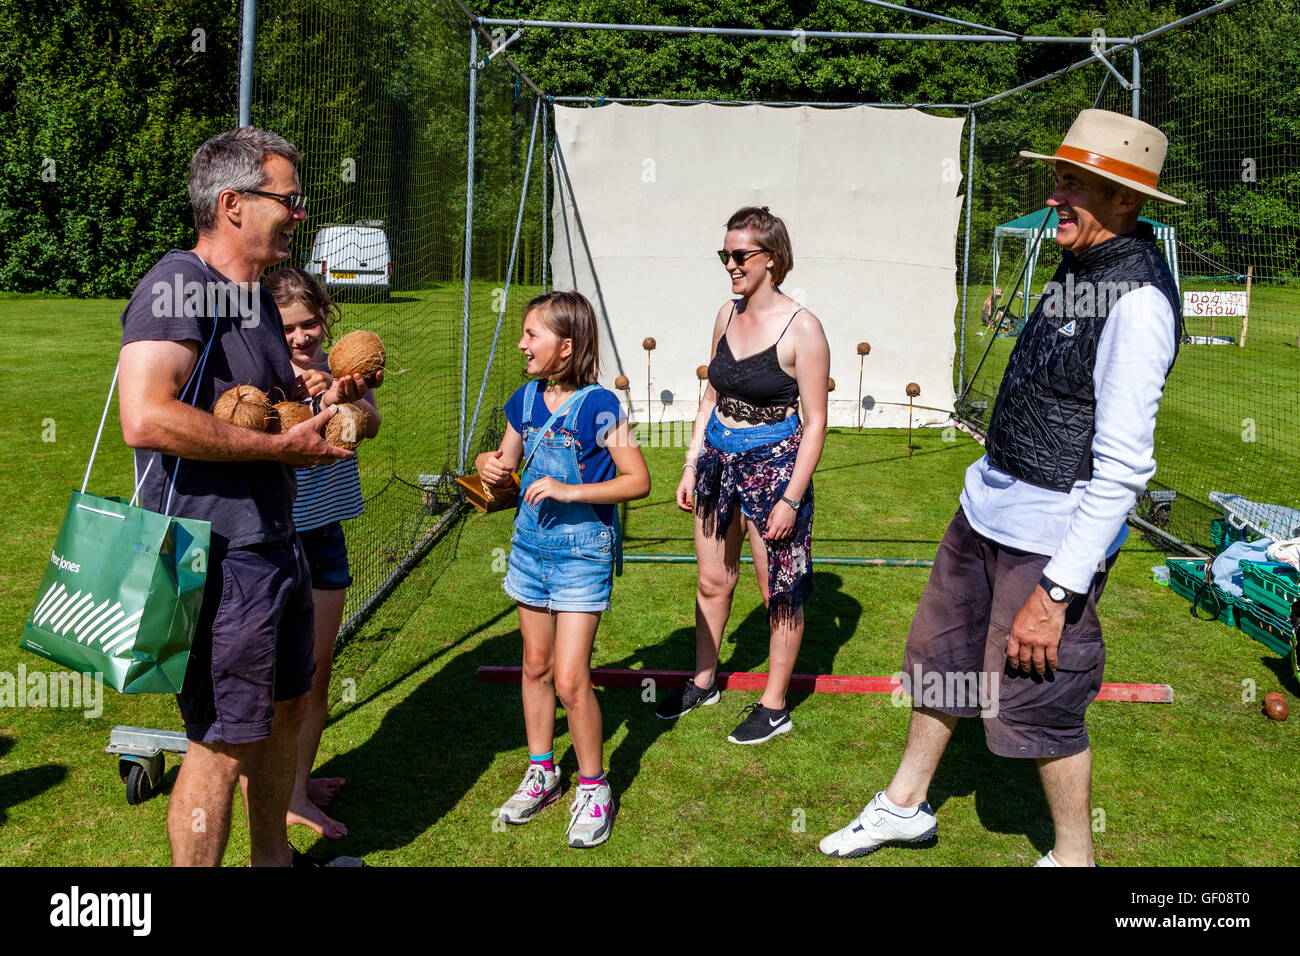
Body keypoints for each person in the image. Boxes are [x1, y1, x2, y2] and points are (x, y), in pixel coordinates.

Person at [820, 109, 1185, 866]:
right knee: (941, 662)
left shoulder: (1140, 304)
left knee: (1041, 703)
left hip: (1052, 542)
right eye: (1058, 177)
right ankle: (904, 806)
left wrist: (1056, 596)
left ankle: (1074, 858)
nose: (1057, 197)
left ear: (1126, 201)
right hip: (985, 510)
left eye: (1076, 185)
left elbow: (1122, 471)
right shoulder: (1082, 262)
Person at [118, 127, 369, 866]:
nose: (298, 212)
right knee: (222, 742)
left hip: (274, 542)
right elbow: (146, 414)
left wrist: (332, 397)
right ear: (232, 204)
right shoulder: (177, 284)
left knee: (283, 717)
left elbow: (276, 404)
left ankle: (274, 863)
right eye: (287, 198)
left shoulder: (254, 298)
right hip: (214, 555)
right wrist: (276, 449)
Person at [474, 291, 650, 848]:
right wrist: (490, 468)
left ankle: (594, 787)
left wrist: (571, 491)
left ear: (566, 346)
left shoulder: (600, 407)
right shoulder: (523, 401)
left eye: (532, 335)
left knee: (573, 679)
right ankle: (542, 770)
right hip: (528, 550)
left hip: (581, 554)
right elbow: (501, 469)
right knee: (533, 666)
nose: (521, 343)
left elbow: (636, 480)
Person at [655, 206, 830, 745]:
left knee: (777, 588)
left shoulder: (804, 328)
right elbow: (712, 393)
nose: (730, 264)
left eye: (740, 255)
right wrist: (690, 461)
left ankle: (774, 704)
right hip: (716, 462)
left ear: (772, 259)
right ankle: (704, 680)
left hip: (774, 470)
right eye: (724, 255)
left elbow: (816, 420)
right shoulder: (725, 316)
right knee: (712, 580)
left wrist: (791, 499)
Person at [264, 266, 381, 840]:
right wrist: (313, 403)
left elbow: (373, 424)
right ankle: (279, 791)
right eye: (288, 326)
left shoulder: (342, 365)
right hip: (278, 535)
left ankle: (296, 785)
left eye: (311, 323)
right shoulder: (263, 373)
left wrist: (350, 398)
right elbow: (277, 447)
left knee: (317, 668)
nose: (301, 337)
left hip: (326, 532)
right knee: (279, 672)